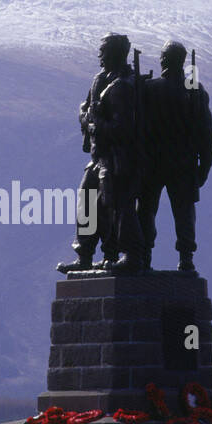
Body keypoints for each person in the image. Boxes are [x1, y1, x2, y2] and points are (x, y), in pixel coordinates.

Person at [57, 32, 147, 274]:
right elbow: (84, 109)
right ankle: (84, 254)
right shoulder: (99, 80)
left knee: (119, 206)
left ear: (116, 54)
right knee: (86, 199)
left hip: (119, 158)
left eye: (104, 51)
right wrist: (88, 121)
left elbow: (123, 129)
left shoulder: (125, 87)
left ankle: (130, 254)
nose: (99, 56)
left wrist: (97, 126)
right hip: (99, 157)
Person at [138, 40, 212, 273]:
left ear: (163, 60)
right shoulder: (196, 91)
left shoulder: (148, 89)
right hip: (183, 163)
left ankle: (144, 255)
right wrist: (204, 167)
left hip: (151, 163)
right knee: (184, 213)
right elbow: (206, 134)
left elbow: (136, 129)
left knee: (146, 210)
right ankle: (186, 258)